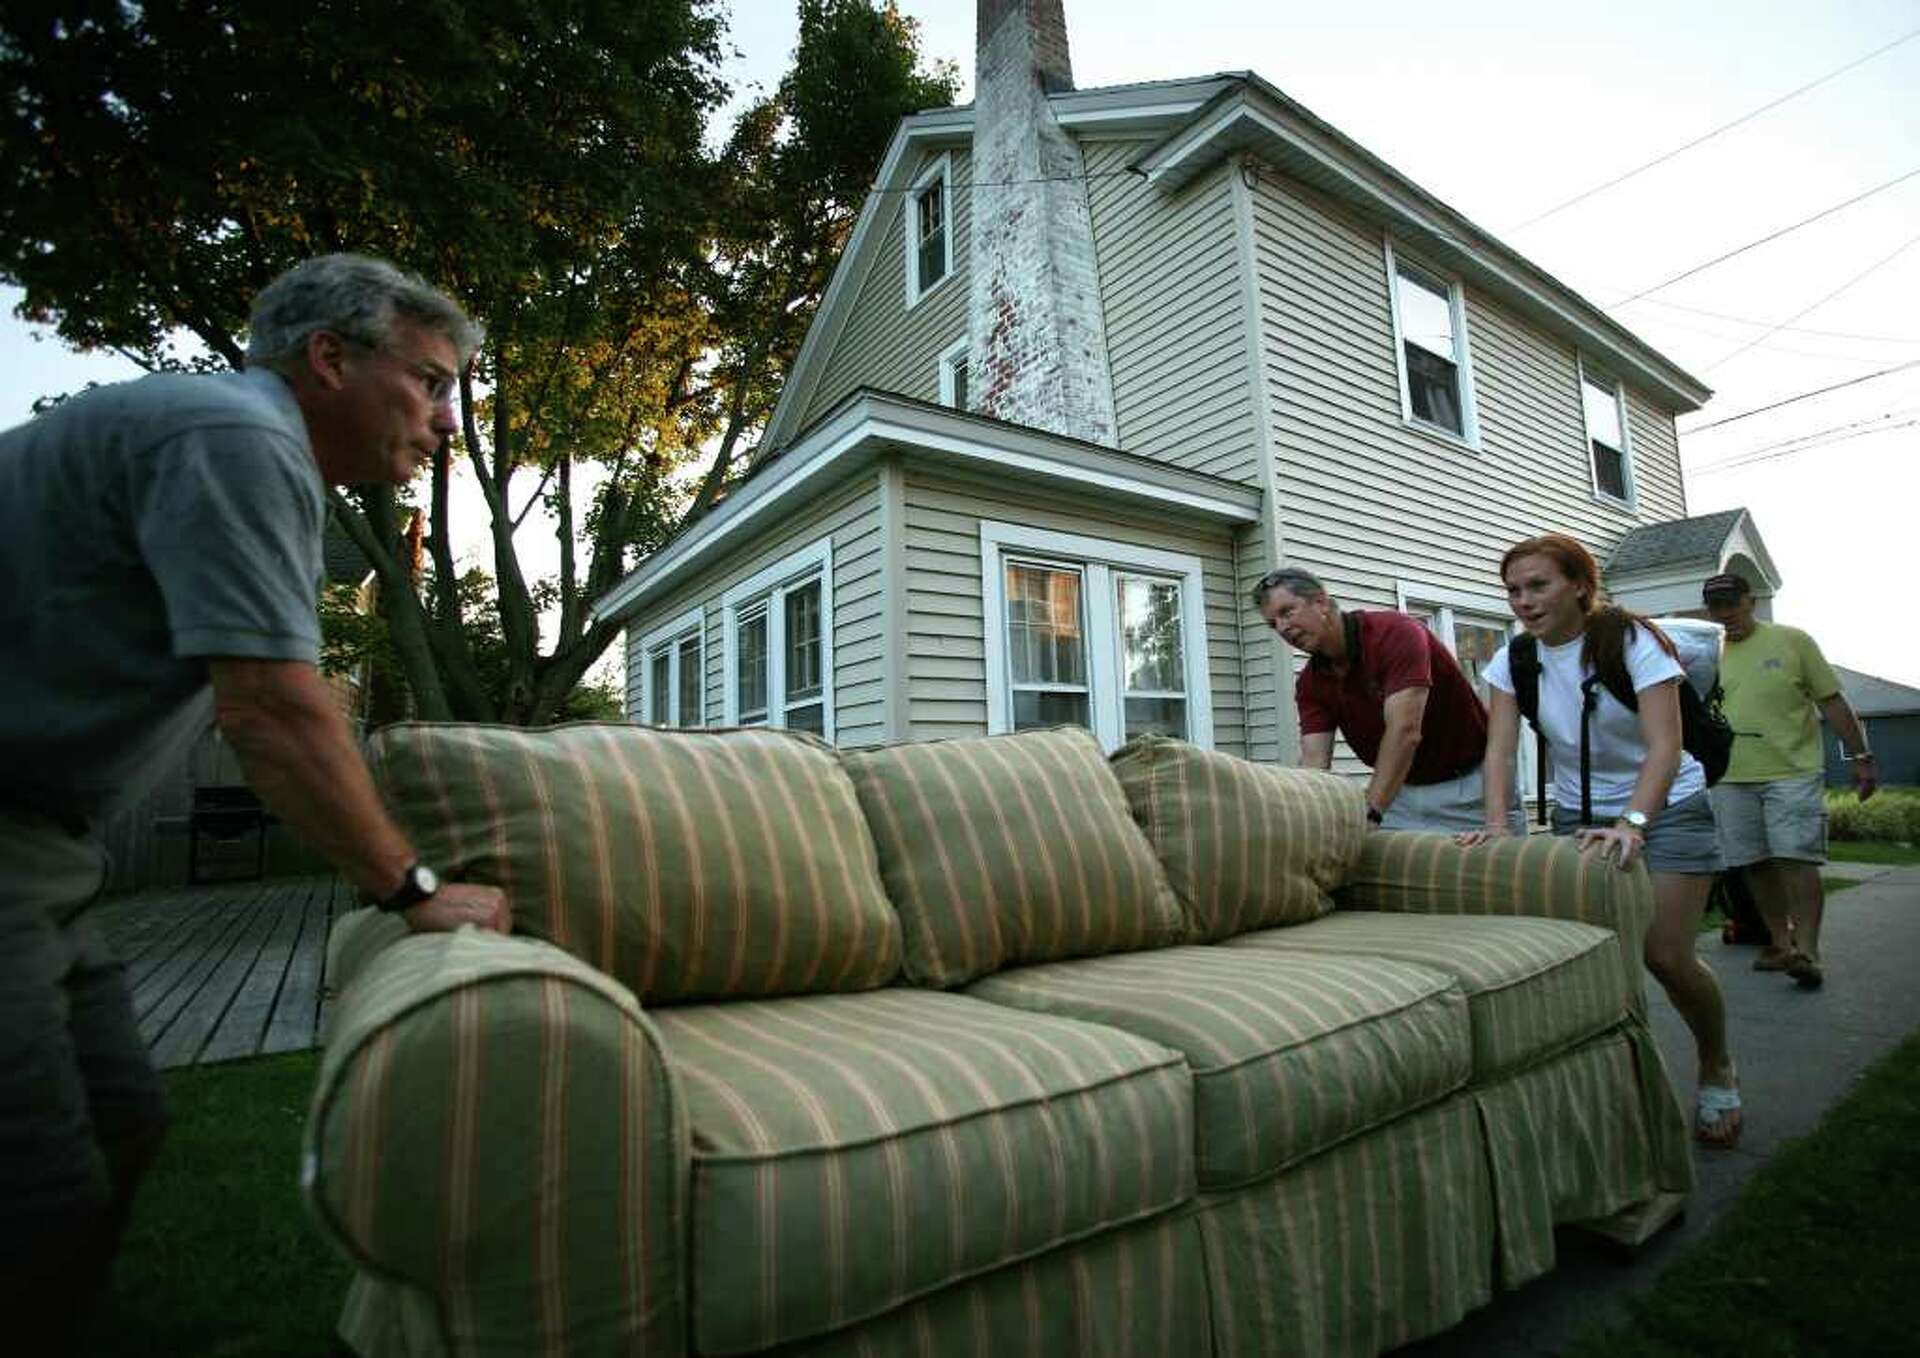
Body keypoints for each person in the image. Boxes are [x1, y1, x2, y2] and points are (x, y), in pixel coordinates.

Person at [0, 254, 512, 1349]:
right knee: (32, 1184)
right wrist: (413, 888)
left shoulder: (235, 445)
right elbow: (273, 710)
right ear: (329, 358)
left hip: (48, 848)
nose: (446, 422)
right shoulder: (239, 439)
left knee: (120, 1119)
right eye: (428, 381)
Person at [1457, 533, 1741, 1148]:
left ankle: (1717, 1064)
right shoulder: (1514, 660)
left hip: (1667, 805)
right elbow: (1500, 749)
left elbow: (1666, 744)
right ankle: (1624, 1093)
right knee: (1596, 964)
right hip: (1579, 815)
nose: (1523, 601)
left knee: (1664, 956)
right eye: (1513, 590)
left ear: (1581, 585)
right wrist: (1499, 823)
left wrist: (1634, 824)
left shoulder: (1631, 640)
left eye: (1538, 585)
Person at [1253, 566, 1522, 833]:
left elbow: (1405, 731)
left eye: (1287, 612)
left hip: (1471, 793)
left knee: (1499, 873)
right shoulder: (1311, 684)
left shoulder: (1396, 633)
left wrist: (1371, 812)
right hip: (1398, 795)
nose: (1282, 628)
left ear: (1321, 602)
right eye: (1272, 623)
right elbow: (1314, 762)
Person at [1703, 570, 1874, 990]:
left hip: (1791, 772)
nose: (1725, 614)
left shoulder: (1792, 641)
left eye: (1732, 604)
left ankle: (1809, 952)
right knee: (1755, 863)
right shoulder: (1705, 654)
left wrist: (1862, 758)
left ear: (1751, 602)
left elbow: (1832, 701)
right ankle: (1781, 942)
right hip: (1729, 777)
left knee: (1796, 859)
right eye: (1716, 606)